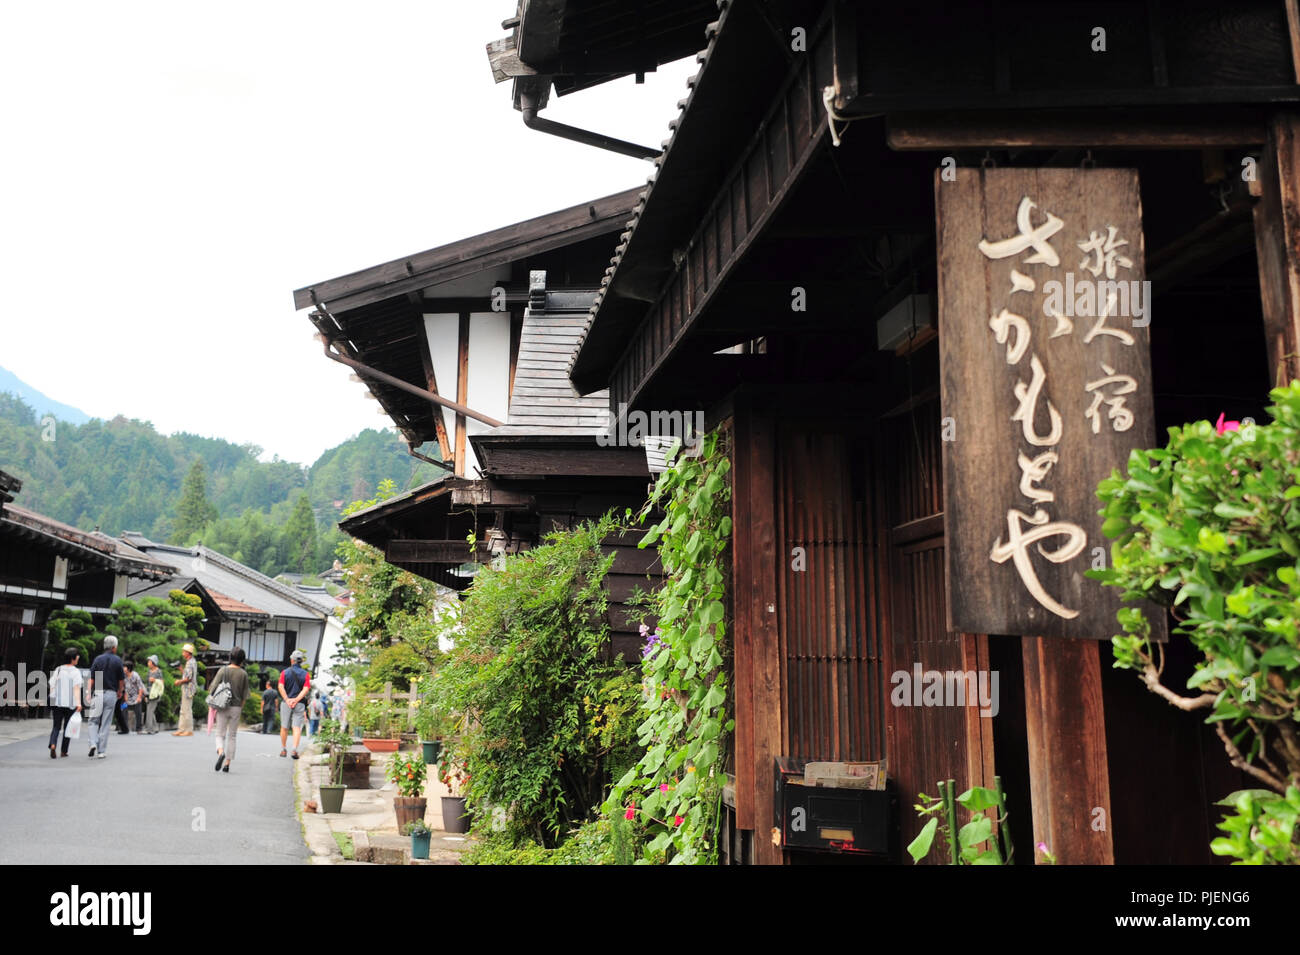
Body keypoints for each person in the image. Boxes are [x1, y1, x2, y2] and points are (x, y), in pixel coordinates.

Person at [209, 647, 249, 774]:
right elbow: (245, 695)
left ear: (230, 657)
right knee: (232, 736)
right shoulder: (243, 674)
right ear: (242, 659)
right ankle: (227, 764)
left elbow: (212, 688)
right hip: (236, 707)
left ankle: (220, 752)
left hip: (222, 706)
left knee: (220, 734)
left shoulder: (223, 670)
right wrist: (240, 707)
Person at [87, 636, 125, 759]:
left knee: (93, 720)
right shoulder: (118, 660)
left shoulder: (98, 659)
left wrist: (88, 693)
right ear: (114, 647)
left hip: (98, 691)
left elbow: (92, 678)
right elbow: (121, 680)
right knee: (106, 722)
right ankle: (101, 751)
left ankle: (93, 742)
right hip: (111, 693)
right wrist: (120, 691)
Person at [48, 648, 83, 759]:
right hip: (70, 704)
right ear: (73, 658)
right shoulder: (76, 671)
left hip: (57, 703)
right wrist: (79, 703)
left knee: (56, 726)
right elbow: (76, 688)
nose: (78, 658)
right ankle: (64, 751)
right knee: (68, 727)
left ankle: (53, 744)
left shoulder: (58, 669)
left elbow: (52, 686)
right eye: (77, 656)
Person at [278, 650, 311, 759]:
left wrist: (287, 699)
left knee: (284, 727)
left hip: (286, 703)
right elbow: (306, 689)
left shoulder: (284, 672)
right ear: (301, 661)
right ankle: (294, 750)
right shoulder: (306, 674)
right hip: (299, 704)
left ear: (292, 660)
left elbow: (280, 686)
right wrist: (296, 700)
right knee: (296, 727)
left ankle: (283, 749)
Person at [173, 644, 197, 736]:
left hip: (189, 688)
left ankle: (188, 729)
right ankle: (181, 729)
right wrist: (181, 669)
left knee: (186, 709)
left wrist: (179, 681)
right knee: (183, 709)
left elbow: (189, 678)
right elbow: (187, 675)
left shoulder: (190, 662)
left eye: (184, 651)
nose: (182, 653)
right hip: (187, 687)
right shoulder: (190, 662)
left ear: (188, 653)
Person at [122, 661, 145, 734]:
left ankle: (139, 728)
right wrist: (125, 697)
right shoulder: (124, 675)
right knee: (123, 709)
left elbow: (140, 687)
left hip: (136, 696)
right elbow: (123, 687)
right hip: (127, 695)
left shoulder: (135, 675)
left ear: (128, 669)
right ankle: (124, 728)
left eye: (124, 667)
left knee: (138, 712)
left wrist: (139, 697)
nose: (123, 668)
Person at [144, 655, 164, 734]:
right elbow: (147, 683)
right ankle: (155, 728)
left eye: (149, 661)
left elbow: (162, 682)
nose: (148, 663)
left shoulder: (158, 671)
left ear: (153, 663)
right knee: (150, 710)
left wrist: (155, 680)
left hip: (155, 694)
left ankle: (149, 729)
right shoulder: (149, 672)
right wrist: (145, 695)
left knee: (149, 711)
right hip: (149, 693)